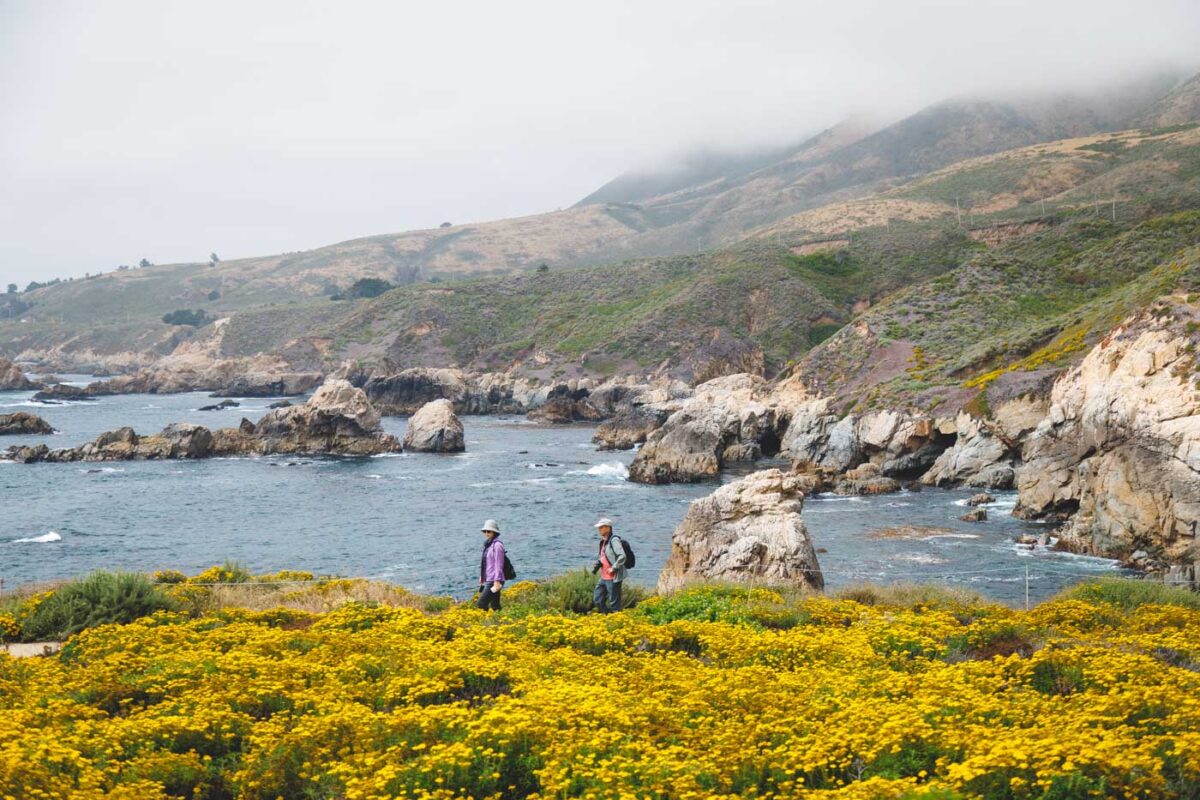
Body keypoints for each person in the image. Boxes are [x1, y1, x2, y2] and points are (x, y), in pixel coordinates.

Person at [590, 517, 626, 613]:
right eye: (599, 527)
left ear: (608, 528)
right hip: (603, 577)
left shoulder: (614, 540)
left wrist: (613, 568)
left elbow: (622, 556)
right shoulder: (603, 541)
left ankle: (617, 621)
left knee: (614, 604)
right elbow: (603, 556)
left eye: (602, 527)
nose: (599, 529)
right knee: (597, 599)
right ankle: (608, 617)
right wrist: (598, 564)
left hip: (613, 577)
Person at [478, 519, 506, 611]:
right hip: (490, 578)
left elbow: (499, 564)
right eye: (485, 531)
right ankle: (499, 622)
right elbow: (487, 562)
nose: (486, 533)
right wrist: (482, 576)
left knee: (481, 604)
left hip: (495, 580)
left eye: (489, 531)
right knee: (495, 606)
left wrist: (497, 581)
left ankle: (487, 622)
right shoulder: (488, 544)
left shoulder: (497, 545)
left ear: (494, 532)